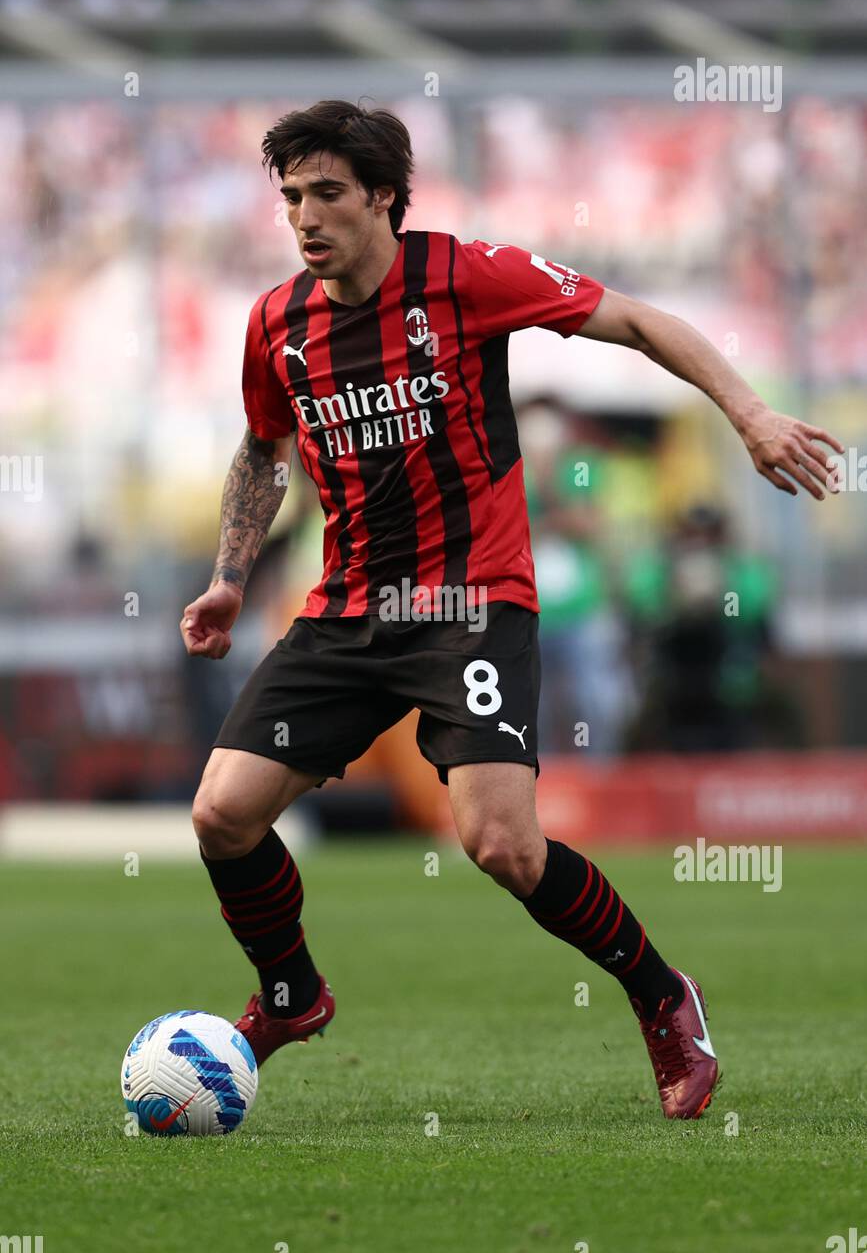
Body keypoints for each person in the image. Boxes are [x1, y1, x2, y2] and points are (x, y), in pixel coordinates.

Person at [180, 100, 842, 1119]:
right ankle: (292, 994)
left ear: (385, 199)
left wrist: (748, 413)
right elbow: (262, 450)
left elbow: (636, 319)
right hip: (347, 609)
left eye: (326, 195)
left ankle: (663, 994)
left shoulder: (464, 277)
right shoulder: (276, 324)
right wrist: (231, 572)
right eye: (290, 198)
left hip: (472, 603)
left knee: (502, 846)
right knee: (222, 814)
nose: (305, 218)